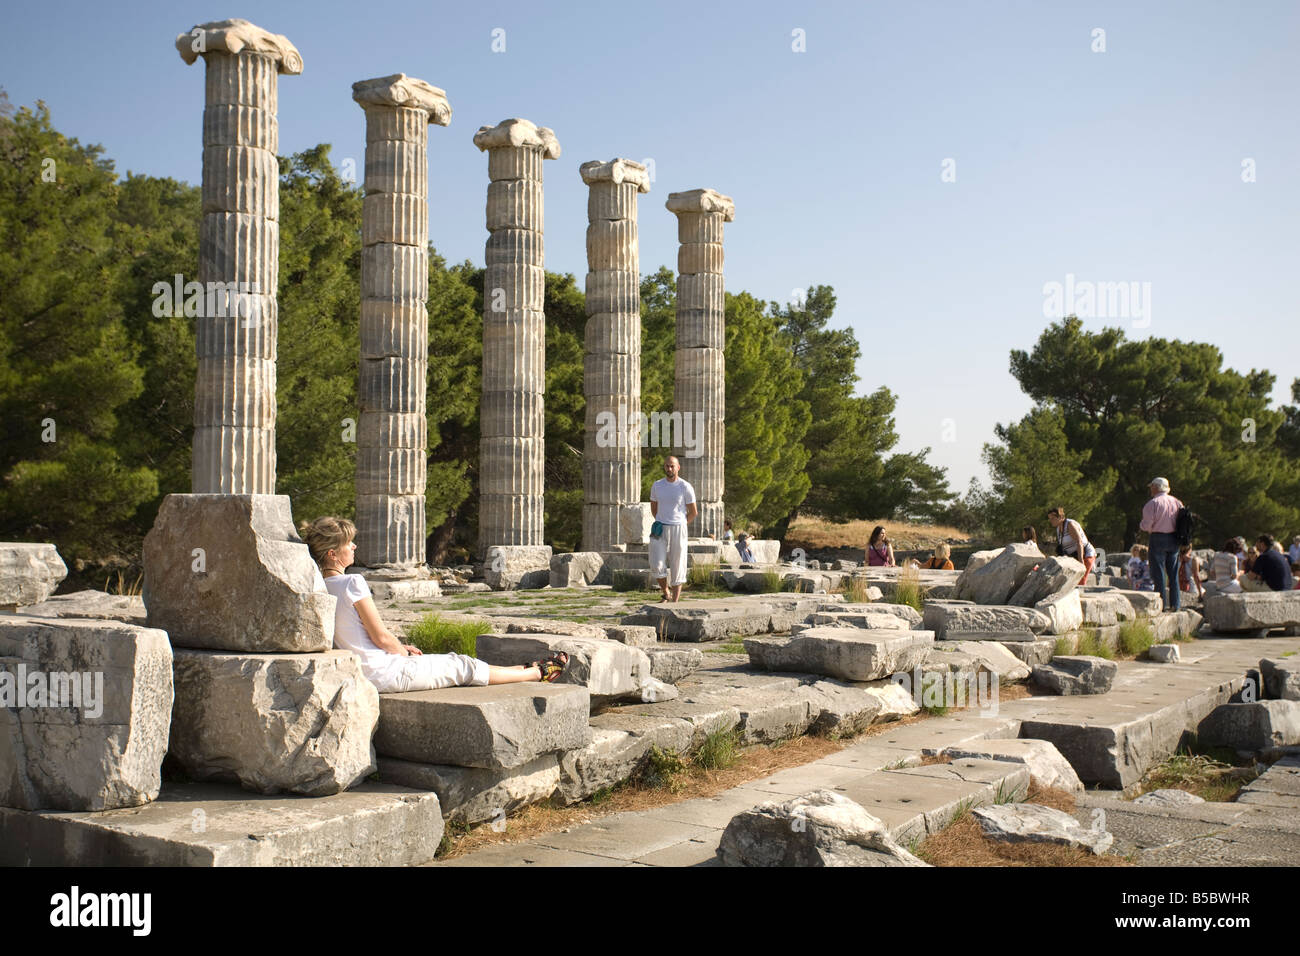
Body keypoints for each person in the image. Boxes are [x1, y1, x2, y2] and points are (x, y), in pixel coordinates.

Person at [300, 517, 567, 693]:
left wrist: (399, 648)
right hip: (384, 674)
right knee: (460, 666)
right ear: (333, 553)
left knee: (456, 662)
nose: (355, 546)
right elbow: (380, 636)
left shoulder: (318, 586)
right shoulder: (352, 583)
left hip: (366, 670)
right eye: (349, 543)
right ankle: (537, 673)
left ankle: (523, 669)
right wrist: (401, 653)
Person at [650, 455, 698, 602]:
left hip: (679, 528)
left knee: (678, 564)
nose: (669, 468)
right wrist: (661, 521)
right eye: (667, 466)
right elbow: (654, 509)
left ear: (678, 467)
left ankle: (675, 602)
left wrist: (681, 524)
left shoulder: (685, 486)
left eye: (672, 466)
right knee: (656, 564)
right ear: (664, 467)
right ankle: (666, 592)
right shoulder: (657, 485)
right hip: (660, 527)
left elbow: (693, 512)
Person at [1139, 477, 1184, 612]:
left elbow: (1146, 525)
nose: (1150, 489)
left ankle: (1162, 605)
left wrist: (1141, 526)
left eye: (1151, 486)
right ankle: (1176, 605)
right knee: (1173, 573)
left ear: (1155, 487)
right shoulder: (1177, 502)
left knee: (1158, 572)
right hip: (1174, 538)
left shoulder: (1152, 504)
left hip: (1158, 537)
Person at [1046, 506, 1095, 586]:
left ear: (1061, 517)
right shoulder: (1058, 529)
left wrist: (1081, 561)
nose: (1051, 521)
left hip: (1085, 555)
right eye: (1049, 518)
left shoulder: (1070, 525)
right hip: (1074, 557)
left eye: (1053, 518)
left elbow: (1079, 542)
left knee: (1080, 582)